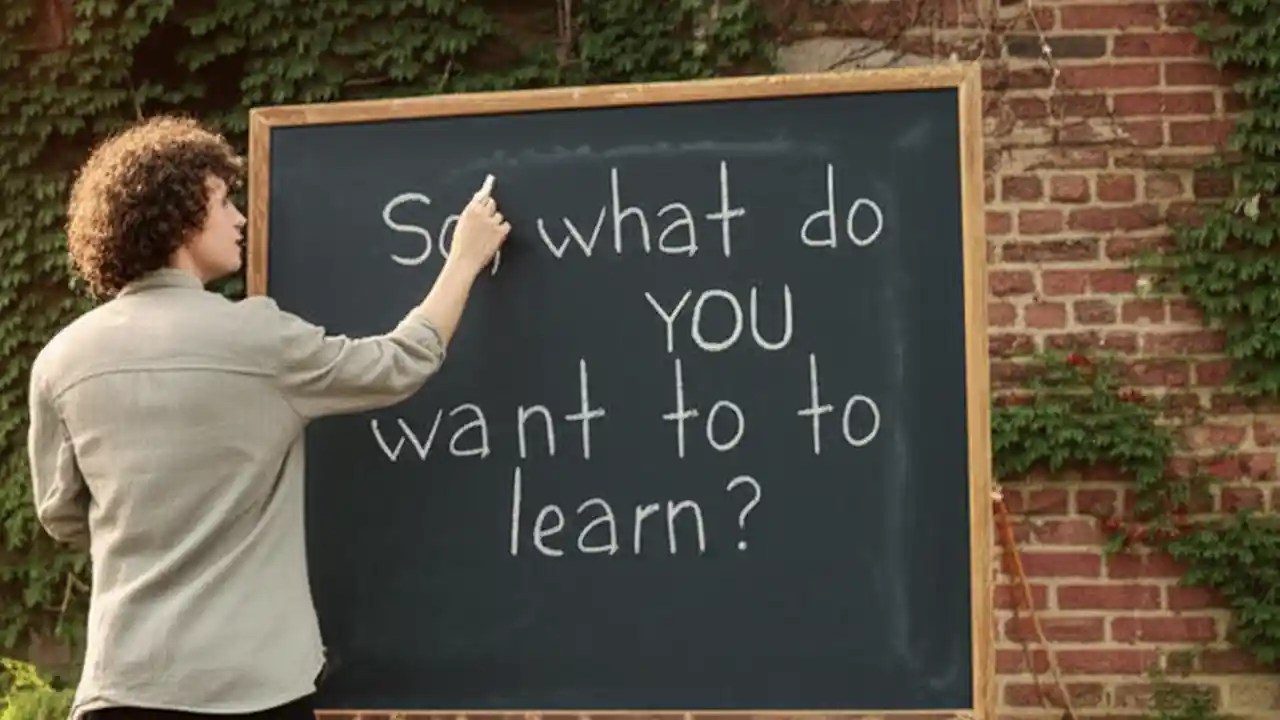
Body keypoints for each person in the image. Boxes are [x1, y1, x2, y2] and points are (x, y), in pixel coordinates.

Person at [26, 115, 510, 719]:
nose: (241, 218)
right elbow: (400, 363)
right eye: (223, 201)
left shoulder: (61, 360)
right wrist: (463, 259)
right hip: (254, 690)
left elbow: (61, 514)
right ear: (177, 219)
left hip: (122, 684)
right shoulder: (257, 339)